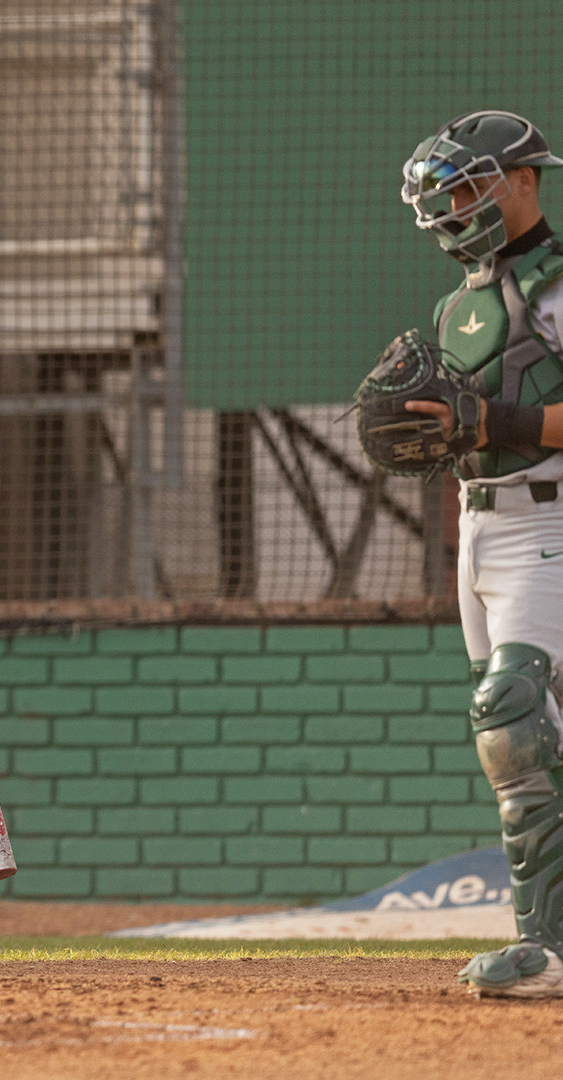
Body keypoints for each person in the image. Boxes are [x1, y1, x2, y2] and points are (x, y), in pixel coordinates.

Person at [397, 110, 563, 999]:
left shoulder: (558, 286)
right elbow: (465, 428)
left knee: (514, 722)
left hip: (549, 520)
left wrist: (494, 420)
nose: (455, 207)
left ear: (525, 180)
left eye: (471, 187)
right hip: (481, 525)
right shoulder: (455, 305)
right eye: (449, 192)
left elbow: (505, 418)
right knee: (528, 739)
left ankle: (547, 947)